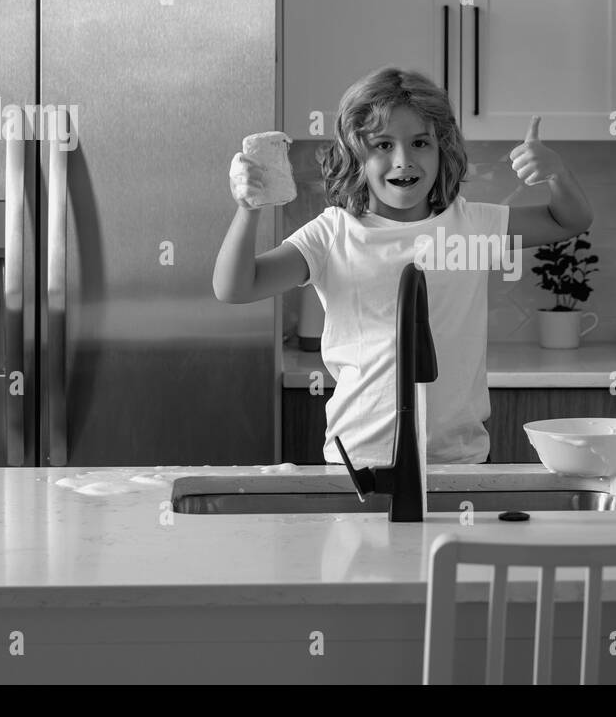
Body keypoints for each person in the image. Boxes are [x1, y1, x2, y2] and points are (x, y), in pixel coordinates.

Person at [213, 66, 593, 467]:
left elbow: (568, 220)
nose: (403, 160)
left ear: (442, 148)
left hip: (457, 459)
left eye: (420, 143)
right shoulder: (333, 234)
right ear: (355, 152)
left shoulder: (472, 225)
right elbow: (236, 287)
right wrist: (247, 210)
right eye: (382, 145)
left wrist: (557, 173)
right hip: (360, 460)